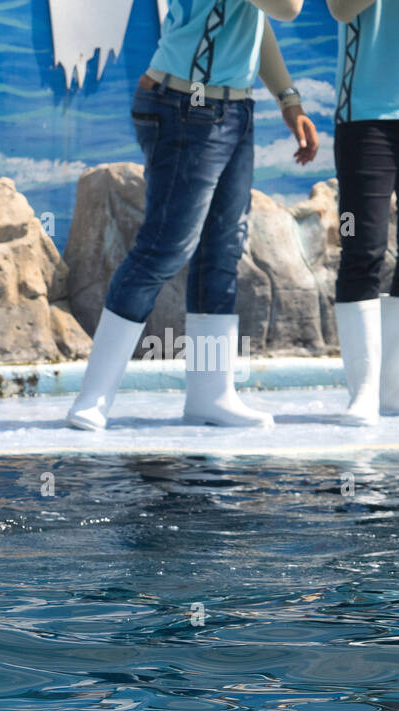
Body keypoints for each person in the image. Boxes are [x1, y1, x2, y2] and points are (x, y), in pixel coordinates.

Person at [67, 1, 319, 431]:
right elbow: (288, 8)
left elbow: (257, 20)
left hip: (233, 109)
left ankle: (210, 394)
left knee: (222, 251)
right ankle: (93, 397)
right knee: (165, 247)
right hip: (186, 106)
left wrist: (287, 98)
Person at [328, 0, 399, 424]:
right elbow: (340, 8)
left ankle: (393, 385)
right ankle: (365, 389)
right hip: (365, 116)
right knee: (361, 248)